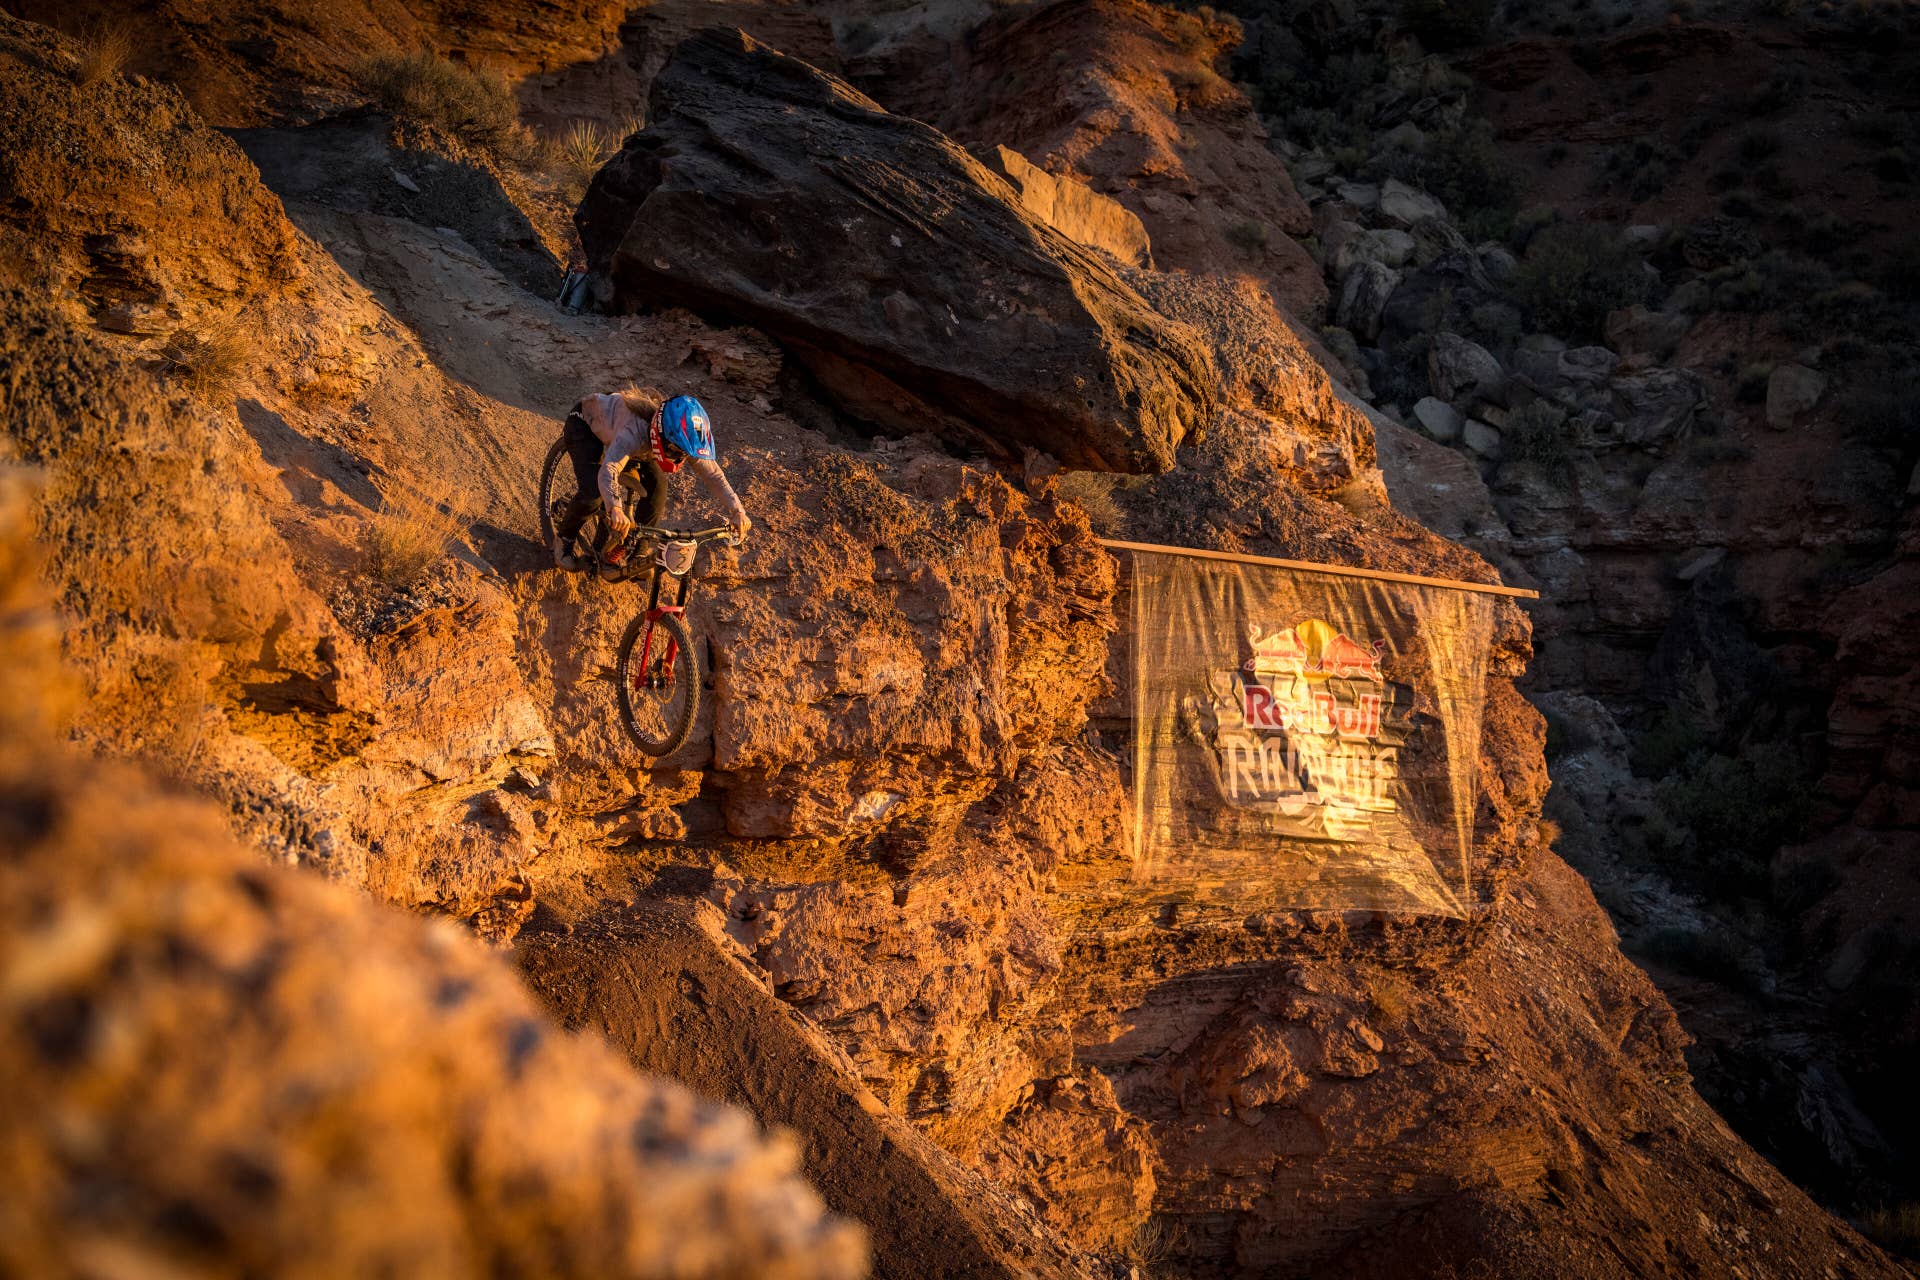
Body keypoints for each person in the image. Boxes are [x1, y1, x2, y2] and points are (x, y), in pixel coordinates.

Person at [551, 388, 751, 574]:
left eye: (684, 453)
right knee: (593, 492)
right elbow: (609, 469)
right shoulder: (634, 431)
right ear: (661, 435)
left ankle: (638, 551)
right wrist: (615, 508)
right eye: (675, 451)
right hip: (585, 423)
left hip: (636, 445)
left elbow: (714, 475)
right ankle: (564, 539)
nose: (680, 458)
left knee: (658, 488)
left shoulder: (678, 439)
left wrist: (738, 511)